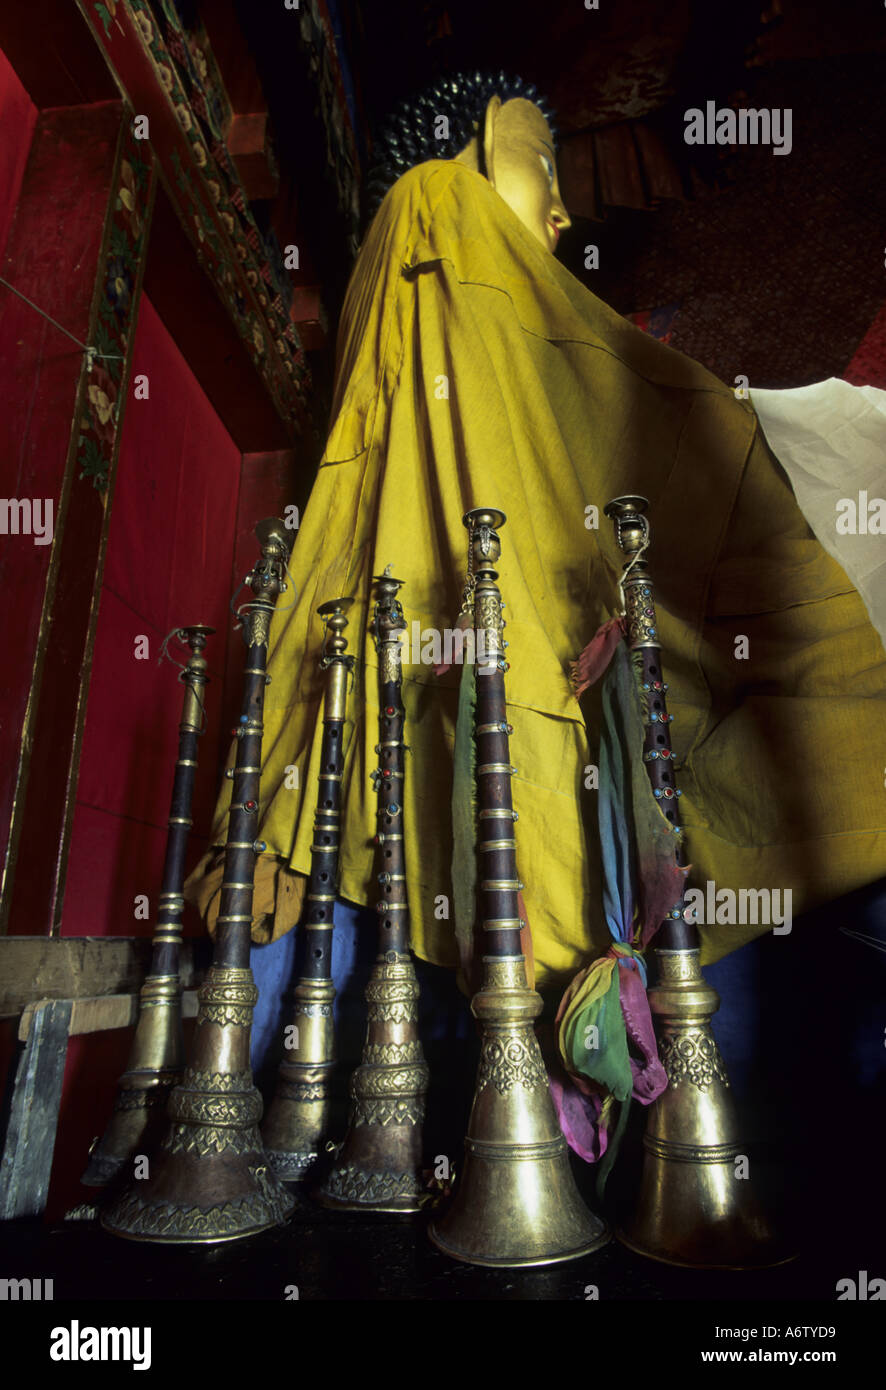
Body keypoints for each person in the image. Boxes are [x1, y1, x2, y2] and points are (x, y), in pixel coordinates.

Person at [186, 72, 886, 1002]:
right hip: (456, 736)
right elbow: (352, 531)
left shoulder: (569, 358)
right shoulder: (432, 209)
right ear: (463, 156)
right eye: (540, 170)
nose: (561, 213)